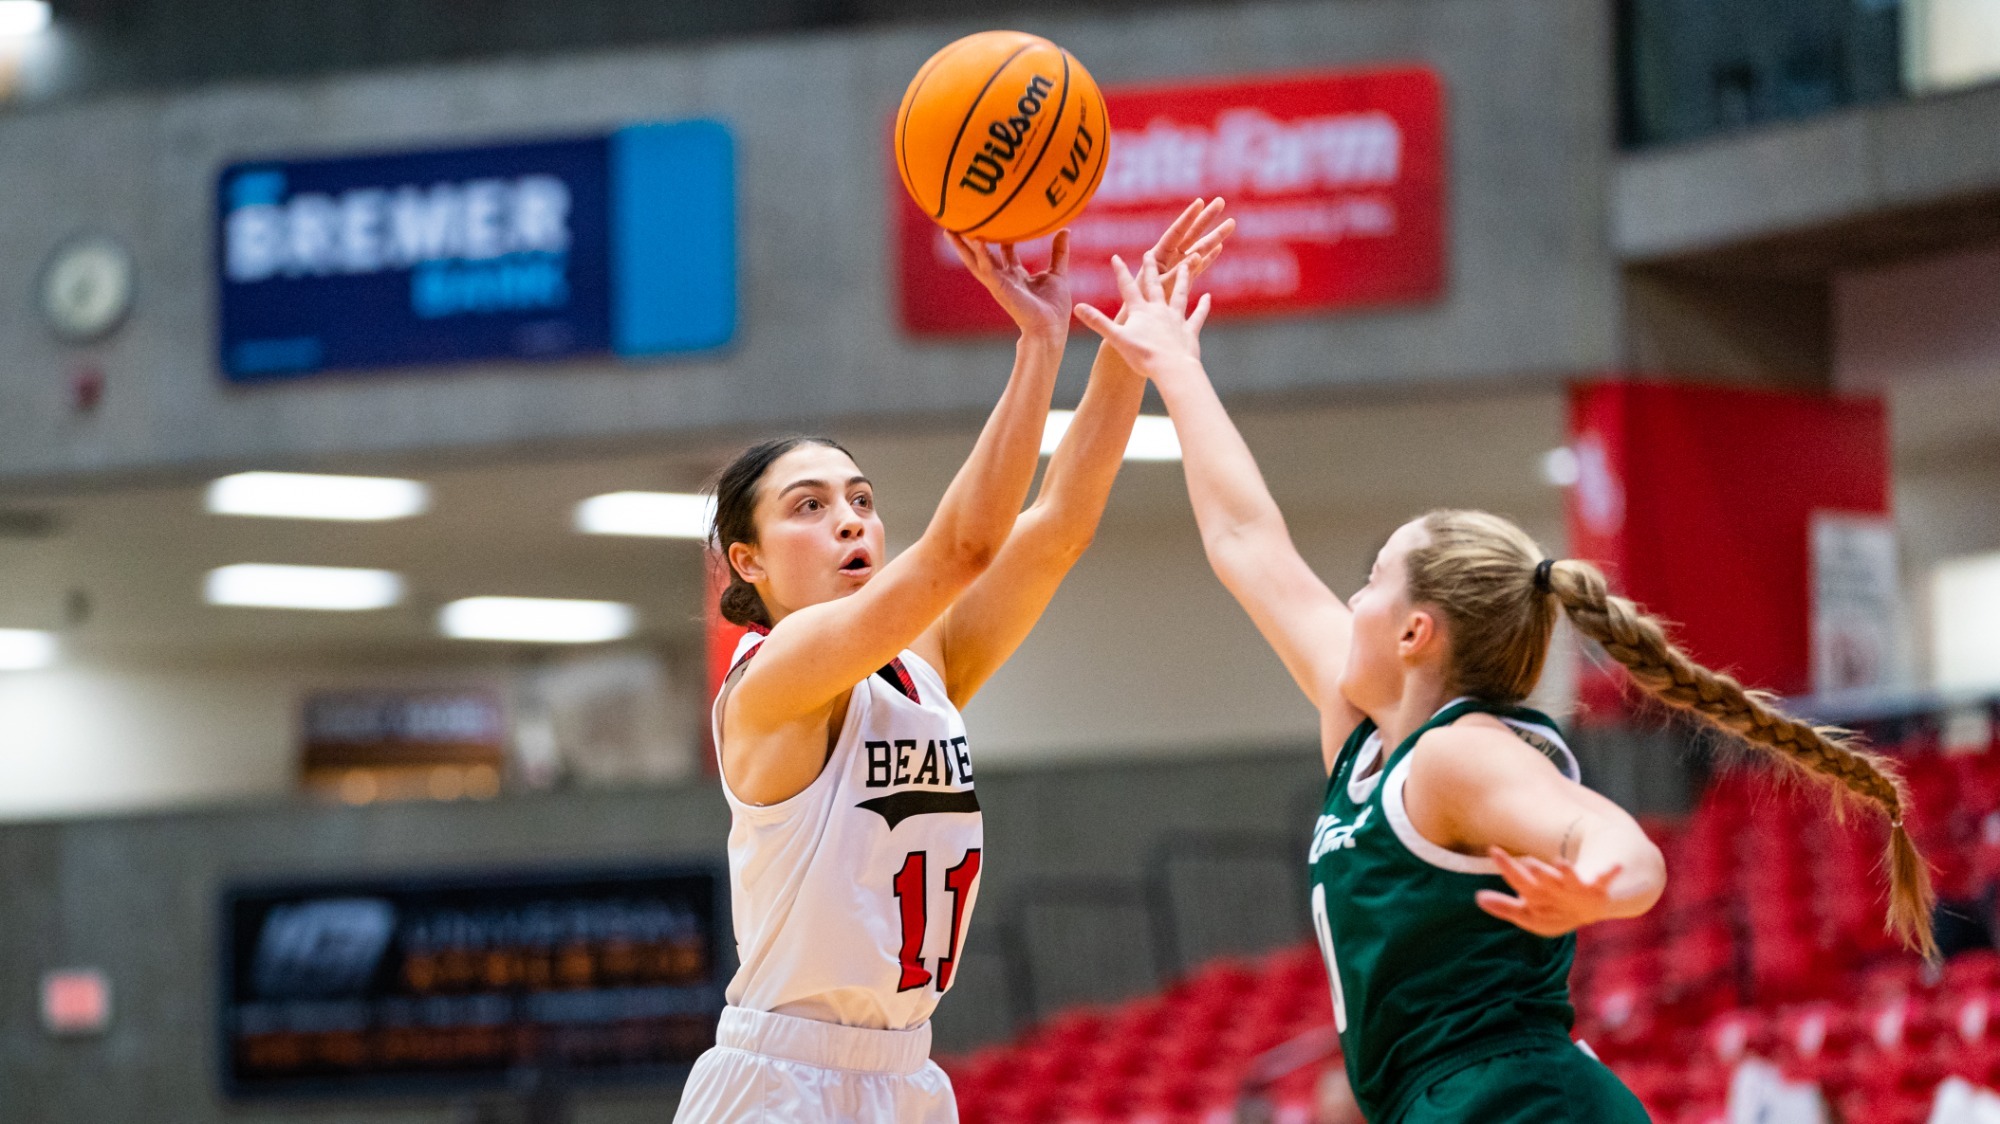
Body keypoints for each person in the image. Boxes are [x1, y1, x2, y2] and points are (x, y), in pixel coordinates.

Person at [1073, 255, 1935, 1124]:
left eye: (1372, 579)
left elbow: (1619, 842)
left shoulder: (1458, 754)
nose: (1353, 598)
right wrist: (1176, 367)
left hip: (1520, 1103)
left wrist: (1602, 884)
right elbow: (1248, 542)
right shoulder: (1368, 741)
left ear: (1416, 634)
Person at [673, 202, 1234, 1123]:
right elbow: (962, 550)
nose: (850, 518)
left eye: (858, 497)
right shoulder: (774, 677)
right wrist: (1036, 348)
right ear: (749, 562)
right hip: (782, 1080)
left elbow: (1055, 530)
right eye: (808, 507)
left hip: (906, 1074)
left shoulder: (918, 660)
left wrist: (1125, 355)